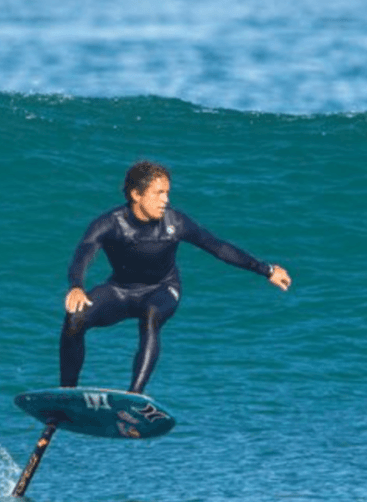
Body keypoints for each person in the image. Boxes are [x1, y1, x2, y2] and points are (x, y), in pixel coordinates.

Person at [60, 161, 291, 393]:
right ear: (136, 194)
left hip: (162, 289)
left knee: (151, 316)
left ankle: (134, 396)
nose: (166, 200)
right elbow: (83, 253)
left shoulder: (176, 222)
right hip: (121, 289)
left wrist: (267, 270)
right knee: (75, 319)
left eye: (167, 193)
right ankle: (67, 393)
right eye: (158, 193)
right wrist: (76, 285)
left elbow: (218, 247)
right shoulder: (110, 223)